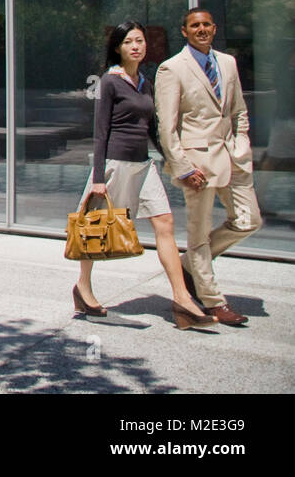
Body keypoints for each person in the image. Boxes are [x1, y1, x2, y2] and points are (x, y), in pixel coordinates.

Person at [73, 21, 214, 329]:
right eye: (128, 42)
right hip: (114, 165)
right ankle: (83, 287)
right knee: (95, 229)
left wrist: (179, 165)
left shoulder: (145, 82)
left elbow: (153, 132)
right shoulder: (109, 82)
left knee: (165, 222)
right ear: (117, 48)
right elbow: (100, 133)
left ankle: (182, 300)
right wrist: (98, 178)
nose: (136, 46)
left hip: (143, 165)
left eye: (139, 41)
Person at [154, 7, 261, 326]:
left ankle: (189, 265)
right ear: (184, 31)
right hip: (196, 163)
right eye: (194, 25)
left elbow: (239, 111)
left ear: (214, 29)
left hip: (232, 158)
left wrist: (241, 144)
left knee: (248, 220)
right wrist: (183, 166)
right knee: (198, 234)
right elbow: (166, 126)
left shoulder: (227, 63)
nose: (201, 29)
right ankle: (213, 301)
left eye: (206, 25)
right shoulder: (171, 69)